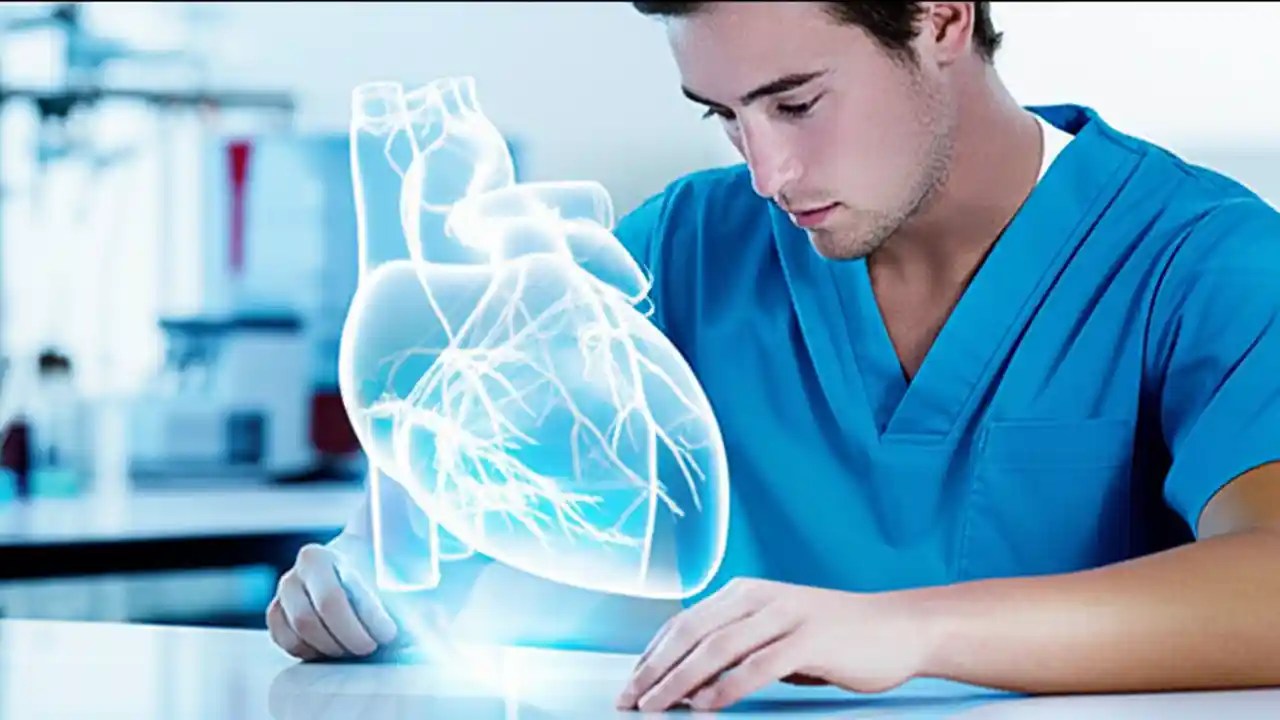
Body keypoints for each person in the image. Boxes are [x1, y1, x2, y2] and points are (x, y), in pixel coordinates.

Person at [268, 0, 1280, 712]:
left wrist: (903, 631)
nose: (765, 172)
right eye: (724, 117)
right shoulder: (686, 248)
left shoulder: (1198, 259)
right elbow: (468, 512)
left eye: (794, 104)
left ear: (940, 19)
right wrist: (369, 584)